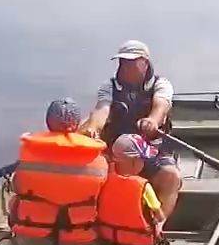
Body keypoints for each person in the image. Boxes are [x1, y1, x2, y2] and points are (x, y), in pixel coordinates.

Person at [77, 39, 181, 220]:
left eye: (132, 62)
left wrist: (152, 121)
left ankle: (156, 226)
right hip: (118, 151)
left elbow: (160, 106)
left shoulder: (161, 84)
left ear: (145, 63)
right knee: (89, 172)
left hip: (152, 150)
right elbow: (102, 109)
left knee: (171, 177)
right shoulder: (109, 86)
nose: (125, 66)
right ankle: (94, 218)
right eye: (123, 62)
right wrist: (93, 128)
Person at [8, 98, 107, 245]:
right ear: (76, 125)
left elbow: (17, 186)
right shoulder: (98, 159)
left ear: (48, 122)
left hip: (31, 244)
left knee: (15, 197)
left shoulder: (27, 152)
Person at [96, 134, 165, 245]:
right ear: (134, 161)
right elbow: (160, 216)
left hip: (108, 238)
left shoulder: (103, 179)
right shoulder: (143, 186)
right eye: (142, 160)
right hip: (138, 243)